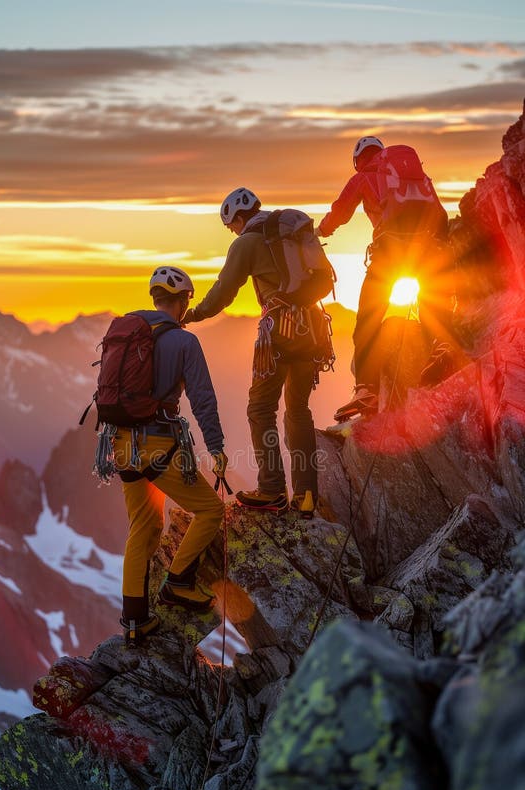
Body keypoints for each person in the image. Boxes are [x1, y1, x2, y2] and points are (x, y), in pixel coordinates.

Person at [183, 188, 323, 517]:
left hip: (279, 332)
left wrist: (192, 315)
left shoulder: (246, 242)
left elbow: (224, 291)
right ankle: (307, 496)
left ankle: (272, 489)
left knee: (260, 409)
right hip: (313, 329)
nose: (232, 231)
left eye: (231, 225)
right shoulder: (289, 234)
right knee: (298, 409)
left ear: (238, 218)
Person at [113, 265, 227, 641]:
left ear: (154, 299)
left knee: (143, 527)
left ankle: (134, 621)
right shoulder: (184, 342)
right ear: (182, 302)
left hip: (121, 444)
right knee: (211, 510)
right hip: (158, 444)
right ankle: (178, 582)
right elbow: (202, 399)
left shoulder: (128, 332)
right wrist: (216, 448)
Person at [317, 136, 457, 420]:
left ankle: (366, 389)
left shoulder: (363, 178)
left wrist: (322, 231)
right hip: (428, 248)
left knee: (368, 318)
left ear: (358, 161)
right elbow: (439, 214)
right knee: (431, 299)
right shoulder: (416, 177)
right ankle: (442, 348)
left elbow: (340, 212)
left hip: (389, 253)